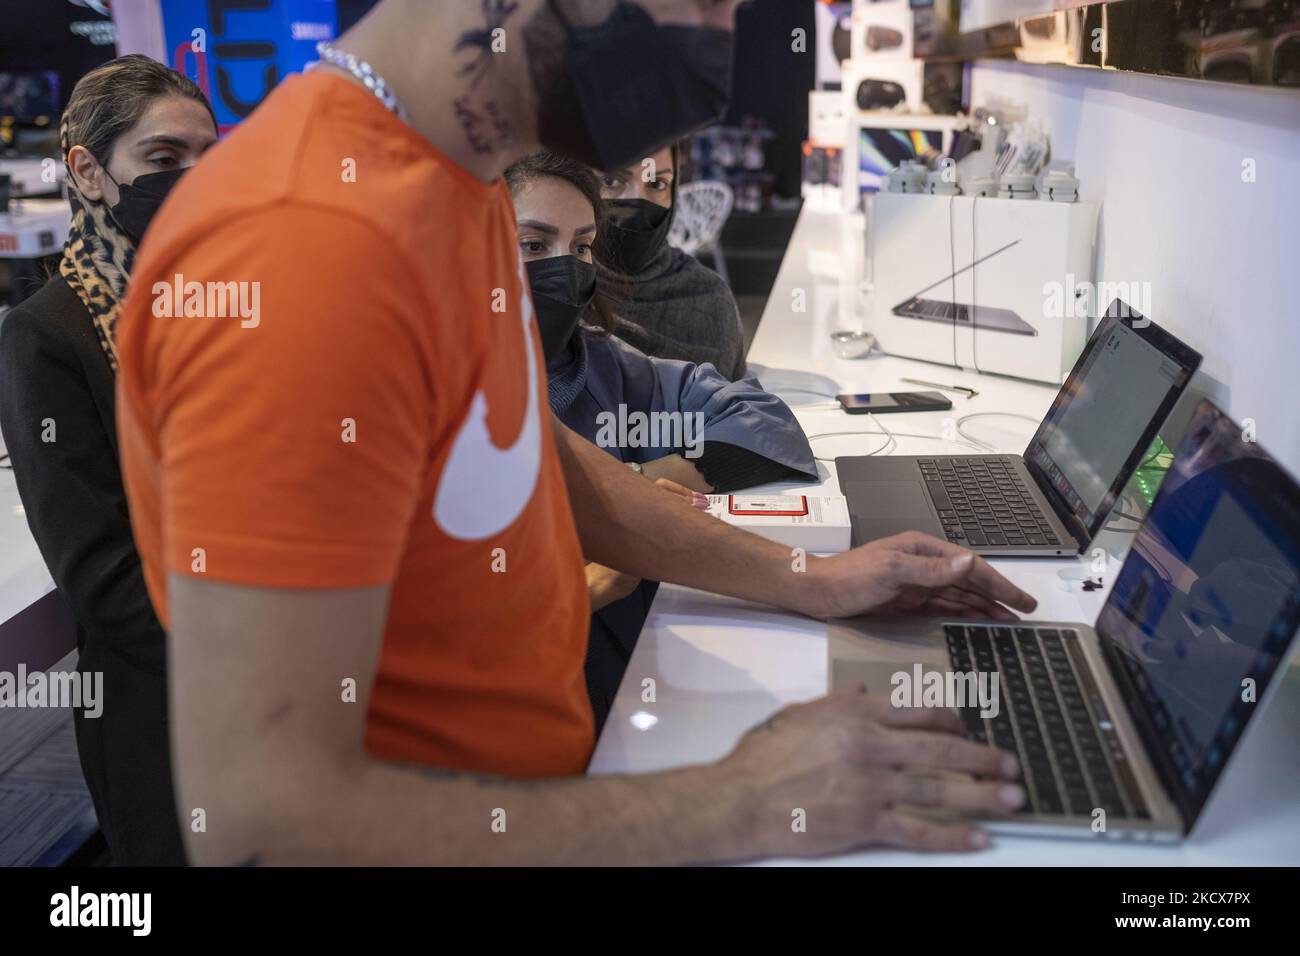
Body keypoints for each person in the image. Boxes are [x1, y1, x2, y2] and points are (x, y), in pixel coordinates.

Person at [116, 0, 1035, 866]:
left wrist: (811, 579)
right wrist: (742, 798)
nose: (728, 33)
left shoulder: (453, 185)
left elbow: (529, 450)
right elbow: (263, 816)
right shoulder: (299, 249)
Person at [506, 148, 819, 730]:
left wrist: (634, 487)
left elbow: (765, 425)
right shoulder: (427, 400)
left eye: (578, 248)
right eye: (532, 245)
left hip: (631, 699)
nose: (563, 268)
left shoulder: (602, 365)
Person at [0, 55, 218, 865]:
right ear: (89, 172)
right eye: (164, 160)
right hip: (166, 713)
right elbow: (102, 576)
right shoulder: (48, 335)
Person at [596, 142, 747, 380]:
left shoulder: (709, 298)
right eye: (611, 182)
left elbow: (736, 407)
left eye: (657, 184)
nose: (637, 203)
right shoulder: (558, 298)